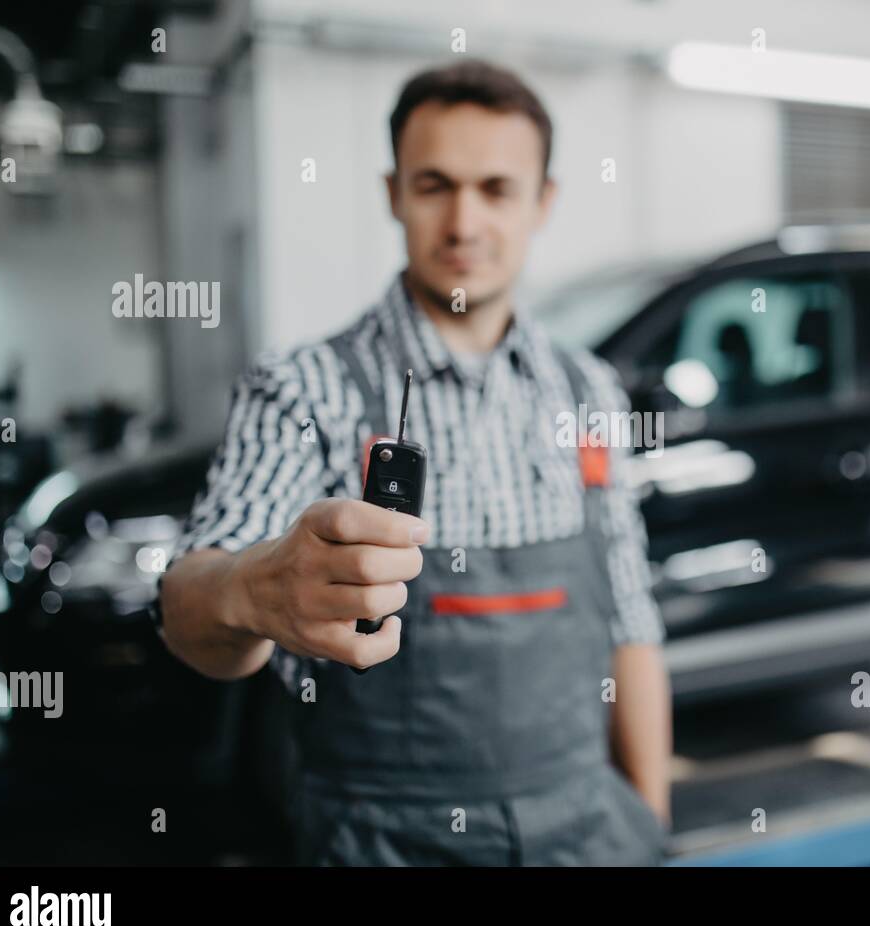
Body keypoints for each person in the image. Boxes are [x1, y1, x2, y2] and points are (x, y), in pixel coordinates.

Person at [151, 60, 672, 866]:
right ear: (393, 193)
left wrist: (649, 827)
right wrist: (253, 590)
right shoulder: (303, 389)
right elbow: (188, 603)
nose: (464, 222)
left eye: (497, 188)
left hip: (588, 837)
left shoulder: (589, 391)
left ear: (543, 203)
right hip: (380, 847)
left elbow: (630, 626)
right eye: (436, 186)